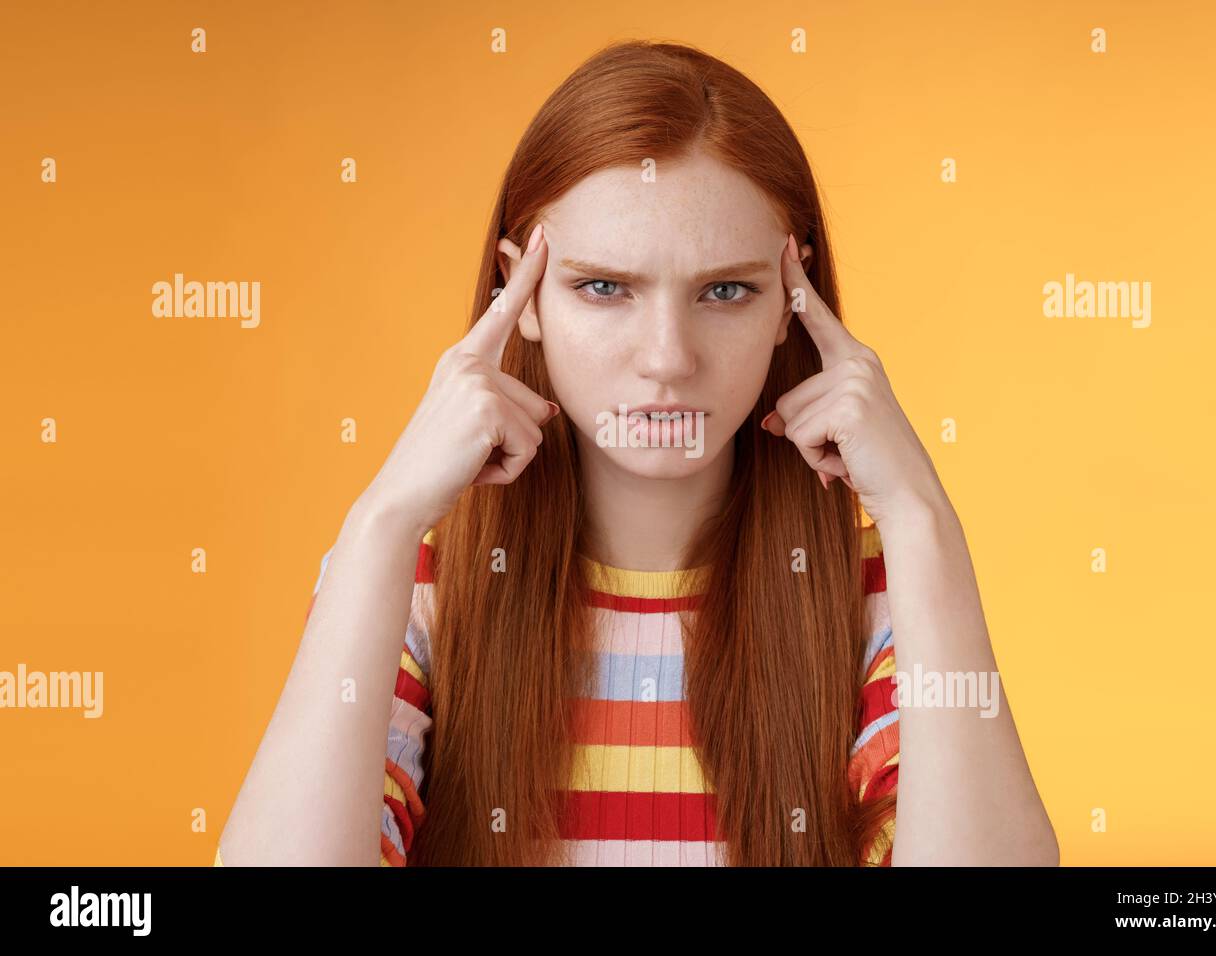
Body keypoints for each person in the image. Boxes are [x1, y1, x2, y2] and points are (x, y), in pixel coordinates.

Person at [216, 39, 1058, 867]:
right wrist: (382, 523)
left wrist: (922, 518)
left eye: (725, 291)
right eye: (604, 288)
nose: (667, 358)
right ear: (525, 297)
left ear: (788, 304)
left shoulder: (881, 588)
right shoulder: (406, 580)